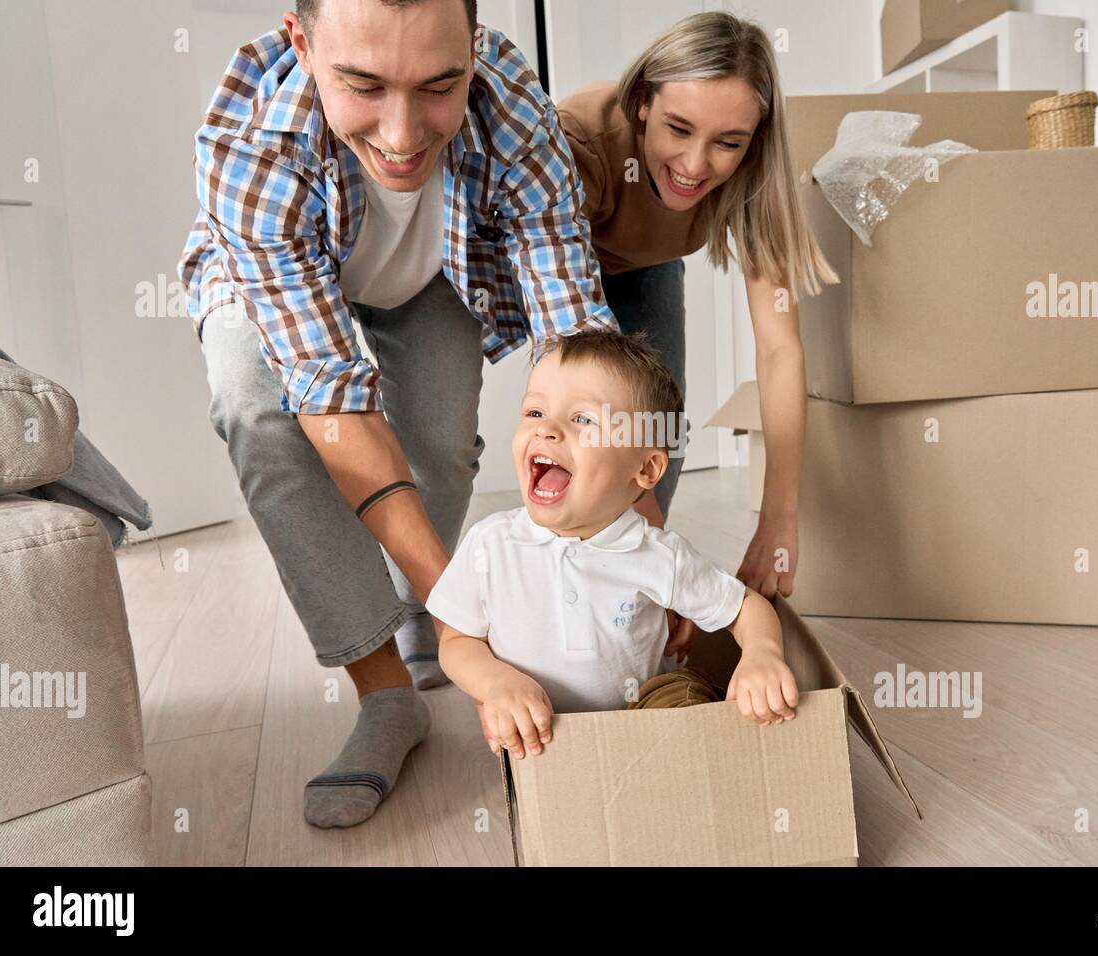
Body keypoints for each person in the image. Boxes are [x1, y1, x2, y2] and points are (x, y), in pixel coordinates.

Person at [178, 0, 615, 828]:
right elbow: (332, 394)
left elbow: (577, 344)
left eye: (439, 86)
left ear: (473, 49)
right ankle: (388, 696)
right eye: (364, 86)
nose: (404, 132)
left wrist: (632, 543)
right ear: (304, 45)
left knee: (442, 446)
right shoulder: (252, 141)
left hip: (437, 271)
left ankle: (425, 621)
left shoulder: (512, 106)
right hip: (281, 273)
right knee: (256, 407)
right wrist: (473, 620)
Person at [558, 11, 838, 608]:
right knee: (587, 434)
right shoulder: (582, 139)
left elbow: (780, 348)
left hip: (644, 263)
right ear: (641, 103)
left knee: (660, 435)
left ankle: (626, 600)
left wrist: (779, 520)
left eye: (727, 143)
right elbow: (571, 349)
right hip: (542, 264)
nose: (694, 165)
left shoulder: (755, 176)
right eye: (678, 129)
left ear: (754, 139)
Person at [429, 331, 799, 760]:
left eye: (583, 419)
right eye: (534, 411)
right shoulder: (490, 546)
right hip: (545, 728)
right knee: (516, 723)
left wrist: (761, 655)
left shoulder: (657, 554)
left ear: (645, 469)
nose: (546, 429)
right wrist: (496, 682)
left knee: (684, 702)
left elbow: (745, 607)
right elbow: (456, 642)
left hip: (641, 713)